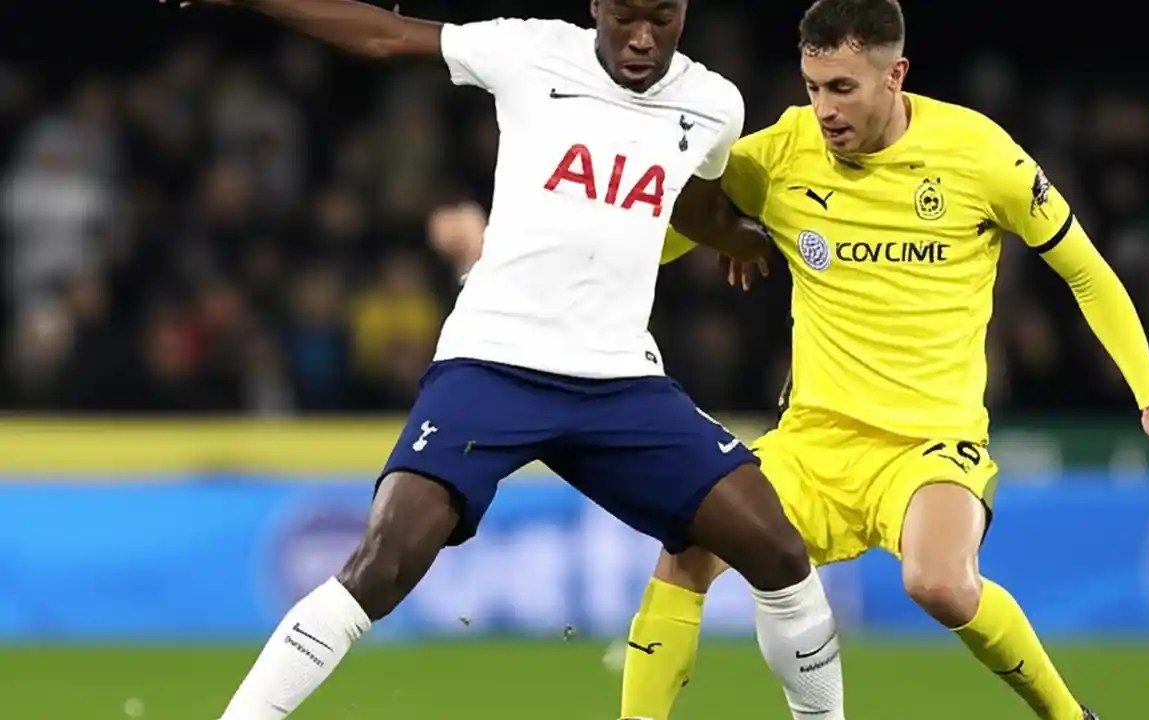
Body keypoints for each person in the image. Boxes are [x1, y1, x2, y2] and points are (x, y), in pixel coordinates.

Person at [165, 1, 849, 718]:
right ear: (596, 8)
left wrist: (732, 236)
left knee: (777, 551)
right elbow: (384, 34)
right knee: (384, 563)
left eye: (663, 19)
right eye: (626, 17)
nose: (643, 38)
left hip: (619, 381)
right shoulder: (529, 53)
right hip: (494, 364)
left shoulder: (713, 104)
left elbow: (694, 199)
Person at [621, 1, 1149, 719]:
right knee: (687, 544)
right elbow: (676, 218)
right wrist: (710, 240)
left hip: (931, 445)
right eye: (813, 87)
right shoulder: (785, 151)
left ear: (895, 75)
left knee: (939, 585)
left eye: (842, 88)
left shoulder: (978, 154)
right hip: (815, 443)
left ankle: (1070, 716)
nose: (823, 110)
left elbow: (1086, 271)